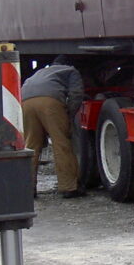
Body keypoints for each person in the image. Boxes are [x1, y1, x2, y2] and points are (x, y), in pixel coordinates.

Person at [20, 56, 85, 198]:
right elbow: (76, 94)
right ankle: (68, 187)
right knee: (61, 143)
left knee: (31, 146)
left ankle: (27, 189)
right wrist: (69, 114)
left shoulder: (41, 72)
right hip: (49, 102)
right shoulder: (71, 70)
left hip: (25, 102)